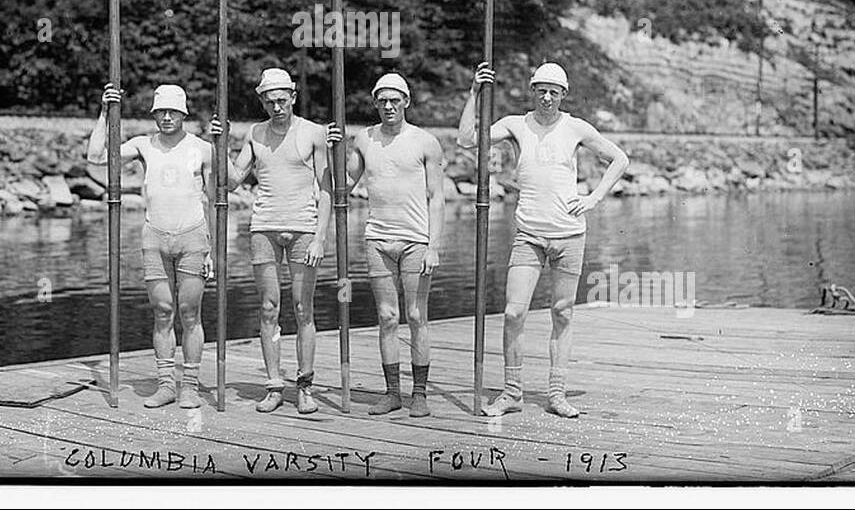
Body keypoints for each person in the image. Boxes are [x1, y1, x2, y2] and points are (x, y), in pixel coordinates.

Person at [457, 61, 629, 418]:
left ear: (563, 95)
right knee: (513, 312)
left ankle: (557, 393)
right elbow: (466, 140)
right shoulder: (516, 124)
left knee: (563, 313)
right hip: (529, 235)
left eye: (554, 91)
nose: (547, 97)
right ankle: (512, 392)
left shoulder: (576, 127)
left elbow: (619, 159)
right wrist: (474, 92)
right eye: (541, 90)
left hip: (569, 235)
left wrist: (593, 199)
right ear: (532, 91)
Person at [211, 67, 331, 414]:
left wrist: (319, 238)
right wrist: (220, 144)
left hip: (303, 229)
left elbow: (326, 189)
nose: (277, 106)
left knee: (302, 308)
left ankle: (305, 385)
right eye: (270, 100)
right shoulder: (255, 133)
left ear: (293, 97)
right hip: (264, 227)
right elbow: (232, 181)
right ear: (262, 101)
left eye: (282, 99)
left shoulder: (313, 133)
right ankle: (274, 385)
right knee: (268, 308)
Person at [88, 83, 214, 410]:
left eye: (173, 111)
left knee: (189, 313)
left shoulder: (202, 148)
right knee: (162, 312)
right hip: (154, 237)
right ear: (154, 114)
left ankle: (189, 386)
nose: (167, 117)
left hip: (192, 236)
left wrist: (213, 249)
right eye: (161, 112)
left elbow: (216, 200)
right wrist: (104, 112)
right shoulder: (143, 144)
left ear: (184, 113)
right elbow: (96, 157)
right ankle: (165, 384)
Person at [333, 73, 445, 417]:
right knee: (386, 317)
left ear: (406, 102)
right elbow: (345, 183)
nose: (388, 106)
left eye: (395, 100)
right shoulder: (364, 140)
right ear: (375, 103)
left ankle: (420, 393)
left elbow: (437, 197)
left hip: (415, 240)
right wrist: (332, 148)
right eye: (382, 100)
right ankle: (393, 392)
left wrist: (433, 246)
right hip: (377, 239)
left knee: (415, 315)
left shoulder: (426, 142)